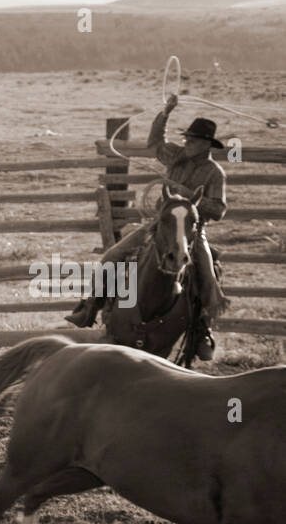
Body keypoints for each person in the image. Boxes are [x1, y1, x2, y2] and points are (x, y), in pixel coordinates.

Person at [66, 95, 227, 360]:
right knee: (112, 256)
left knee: (208, 277)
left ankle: (202, 330)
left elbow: (219, 210)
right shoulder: (176, 156)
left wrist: (185, 192)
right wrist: (166, 112)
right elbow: (155, 142)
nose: (187, 143)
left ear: (207, 145)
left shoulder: (214, 173)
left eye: (194, 140)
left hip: (193, 231)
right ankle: (90, 307)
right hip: (159, 224)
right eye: (187, 139)